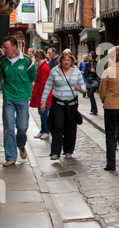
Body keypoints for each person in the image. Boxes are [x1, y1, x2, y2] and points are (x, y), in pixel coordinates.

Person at [40, 51, 86, 160]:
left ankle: (68, 151)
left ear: (72, 61)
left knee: (70, 127)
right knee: (58, 126)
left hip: (71, 103)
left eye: (68, 60)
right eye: (64, 60)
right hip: (58, 103)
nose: (66, 62)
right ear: (61, 61)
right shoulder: (54, 71)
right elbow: (48, 86)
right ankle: (55, 152)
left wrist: (80, 89)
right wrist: (43, 102)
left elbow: (83, 86)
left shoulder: (76, 72)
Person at [0, 35, 37, 167]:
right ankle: (10, 156)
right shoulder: (3, 61)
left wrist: (25, 90)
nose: (5, 51)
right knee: (8, 128)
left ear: (15, 47)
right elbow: (3, 76)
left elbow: (32, 76)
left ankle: (21, 144)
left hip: (22, 97)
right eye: (4, 48)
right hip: (8, 97)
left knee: (22, 127)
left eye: (7, 48)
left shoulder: (27, 61)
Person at [99, 45, 119, 173]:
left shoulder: (107, 71)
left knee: (110, 135)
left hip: (111, 106)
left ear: (112, 57)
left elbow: (102, 91)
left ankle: (111, 164)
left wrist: (105, 100)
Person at [30, 50, 52, 140]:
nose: (36, 59)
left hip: (43, 94)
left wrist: (36, 91)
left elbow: (44, 83)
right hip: (41, 93)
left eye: (37, 57)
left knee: (43, 113)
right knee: (41, 113)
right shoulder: (41, 66)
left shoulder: (44, 68)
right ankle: (43, 130)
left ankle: (46, 131)